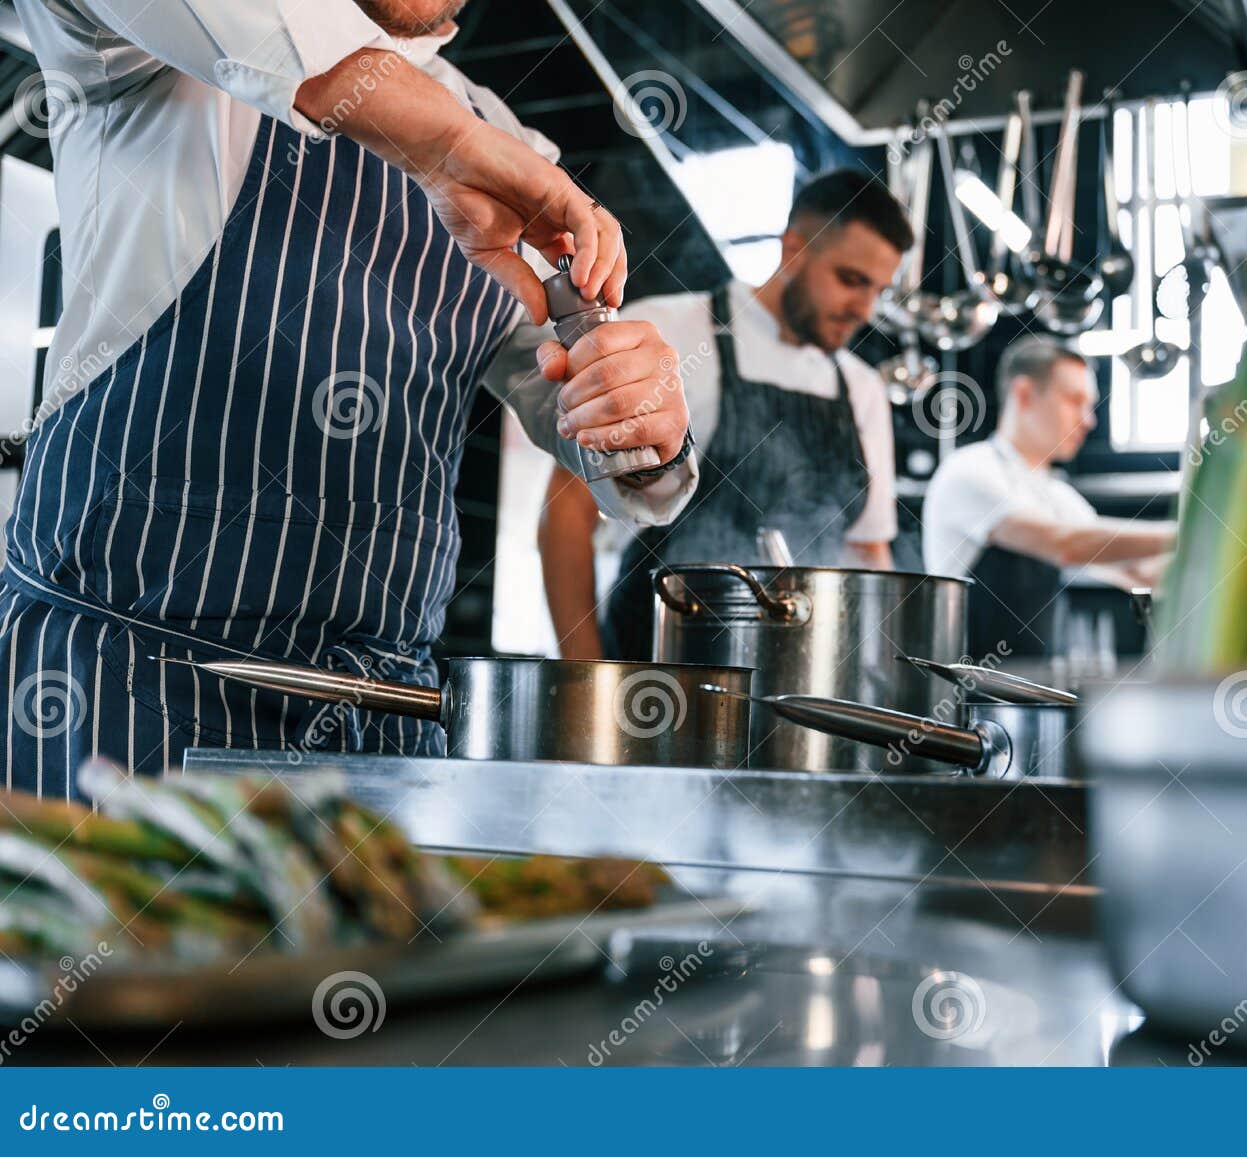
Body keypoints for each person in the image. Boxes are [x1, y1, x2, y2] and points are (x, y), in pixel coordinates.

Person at [0, 0, 695, 796]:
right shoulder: (160, 52)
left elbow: (577, 413)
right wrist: (445, 149)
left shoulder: (516, 144)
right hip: (118, 689)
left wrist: (643, 431)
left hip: (381, 719)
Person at [540, 170, 913, 661]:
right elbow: (567, 511)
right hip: (657, 674)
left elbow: (867, 551)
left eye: (879, 291)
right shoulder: (667, 331)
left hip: (803, 684)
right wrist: (586, 678)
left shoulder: (863, 388)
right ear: (794, 250)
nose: (863, 309)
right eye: (850, 280)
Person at [921, 338, 1174, 656]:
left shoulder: (1055, 493)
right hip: (963, 691)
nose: (1088, 421)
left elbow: (1139, 573)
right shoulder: (969, 470)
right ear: (1024, 393)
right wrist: (1191, 534)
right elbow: (1065, 544)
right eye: (1074, 401)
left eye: (1090, 406)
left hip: (1028, 689)